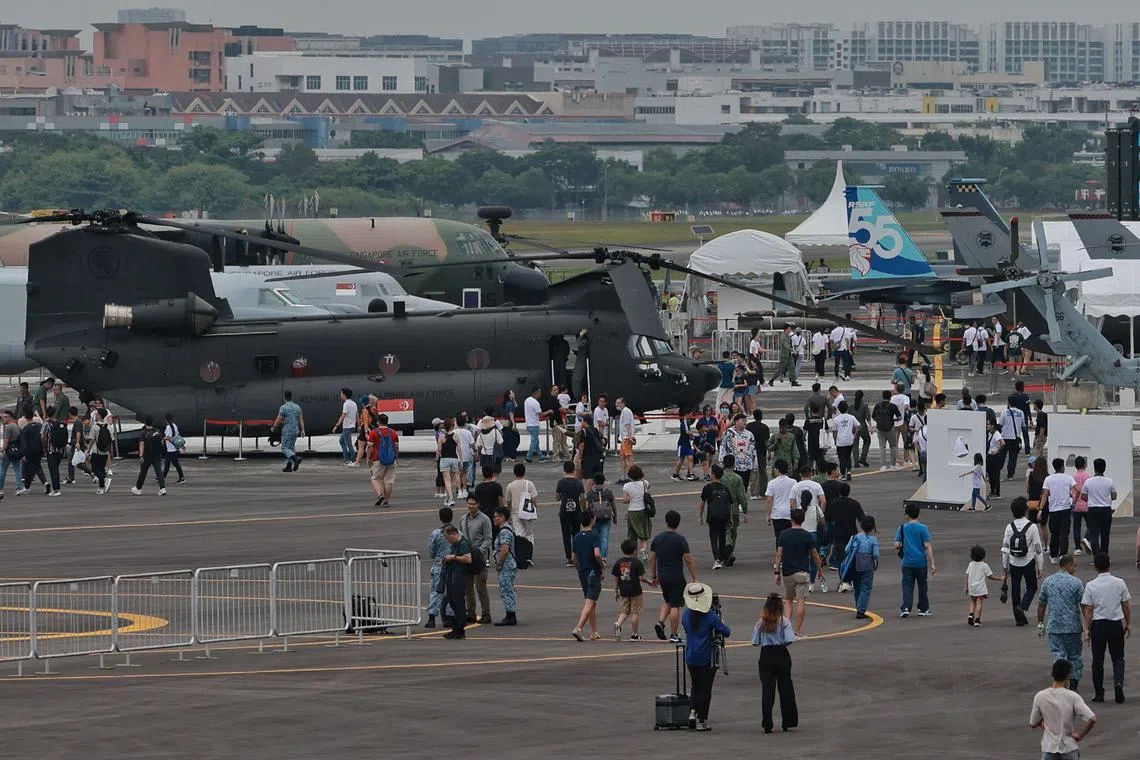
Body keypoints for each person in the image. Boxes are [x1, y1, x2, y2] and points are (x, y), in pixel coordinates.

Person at [1081, 552, 1131, 703]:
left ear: (1095, 567)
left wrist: (1087, 628)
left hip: (1099, 625)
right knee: (1118, 658)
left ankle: (1099, 692)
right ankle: (1118, 683)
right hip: (1115, 624)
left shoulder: (1091, 585)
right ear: (1109, 564)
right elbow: (1126, 605)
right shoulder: (1119, 582)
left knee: (1098, 660)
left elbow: (1089, 610)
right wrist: (1127, 623)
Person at [680, 582, 731, 732]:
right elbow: (726, 631)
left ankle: (692, 711)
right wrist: (720, 620)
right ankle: (702, 719)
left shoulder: (687, 614)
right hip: (705, 656)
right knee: (705, 688)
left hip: (690, 655)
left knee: (695, 685)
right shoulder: (710, 616)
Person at [1030, 659, 1096, 759]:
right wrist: (1080, 733)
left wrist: (1043, 721)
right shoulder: (1073, 696)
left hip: (1049, 748)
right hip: (1069, 747)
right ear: (1069, 675)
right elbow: (1092, 718)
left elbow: (1033, 723)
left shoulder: (1040, 696)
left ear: (1051, 673)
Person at [1038, 555, 1086, 692]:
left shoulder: (1048, 581)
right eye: (1074, 566)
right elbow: (1083, 605)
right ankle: (1074, 684)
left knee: (1058, 654)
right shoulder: (1076, 582)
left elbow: (1042, 604)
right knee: (1075, 655)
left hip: (1055, 626)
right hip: (1073, 626)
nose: (1075, 569)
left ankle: (1060, 683)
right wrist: (1089, 625)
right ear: (1069, 565)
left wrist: (1040, 622)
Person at [775, 507, 825, 637]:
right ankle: (797, 631)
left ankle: (786, 630)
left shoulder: (784, 534)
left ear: (791, 519)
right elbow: (815, 555)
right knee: (801, 601)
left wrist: (777, 572)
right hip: (802, 572)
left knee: (788, 601)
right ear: (803, 520)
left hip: (787, 572)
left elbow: (779, 554)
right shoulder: (807, 536)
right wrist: (820, 570)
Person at [752, 591, 797, 733]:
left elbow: (755, 642)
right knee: (786, 687)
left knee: (767, 689)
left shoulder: (761, 623)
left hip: (766, 655)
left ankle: (767, 723)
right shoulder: (784, 622)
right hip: (781, 654)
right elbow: (789, 640)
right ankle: (788, 721)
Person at [649, 510, 697, 644]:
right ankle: (674, 633)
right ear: (678, 523)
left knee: (667, 600)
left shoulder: (657, 539)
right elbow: (688, 559)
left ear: (666, 522)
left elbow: (652, 558)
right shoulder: (680, 540)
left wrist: (654, 575)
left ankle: (660, 622)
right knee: (675, 604)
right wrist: (694, 577)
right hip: (676, 575)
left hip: (662, 575)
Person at [1002, 497, 1045, 626]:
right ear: (1026, 511)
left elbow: (1005, 548)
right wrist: (1040, 566)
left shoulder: (1009, 527)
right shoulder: (1032, 527)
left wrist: (1005, 566)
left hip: (1013, 562)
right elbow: (1038, 548)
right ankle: (1022, 606)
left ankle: (1018, 618)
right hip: (1028, 561)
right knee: (1032, 587)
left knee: (1015, 589)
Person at [894, 504, 936, 618]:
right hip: (921, 562)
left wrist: (901, 545)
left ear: (907, 515)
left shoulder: (902, 528)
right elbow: (927, 546)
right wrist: (932, 563)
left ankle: (906, 607)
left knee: (907, 585)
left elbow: (897, 544)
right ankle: (923, 608)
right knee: (922, 585)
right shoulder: (923, 528)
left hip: (907, 562)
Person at [569, 510, 605, 641]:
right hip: (593, 571)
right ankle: (578, 628)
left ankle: (594, 631)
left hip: (582, 571)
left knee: (590, 601)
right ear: (592, 520)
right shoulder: (595, 535)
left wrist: (578, 567)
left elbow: (573, 558)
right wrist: (602, 566)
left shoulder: (577, 536)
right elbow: (597, 554)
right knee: (590, 602)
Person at [459, 495, 493, 625]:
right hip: (466, 557)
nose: (471, 506)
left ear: (478, 504)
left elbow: (488, 538)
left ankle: (486, 613)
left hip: (479, 558)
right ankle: (471, 612)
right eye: (469, 504)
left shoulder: (484, 519)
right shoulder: (463, 519)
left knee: (481, 587)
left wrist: (479, 551)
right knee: (468, 588)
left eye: (473, 504)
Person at [440, 525, 474, 639]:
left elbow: (468, 559)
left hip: (459, 577)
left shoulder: (463, 544)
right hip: (453, 576)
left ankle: (459, 629)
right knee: (453, 601)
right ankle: (456, 628)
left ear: (453, 534)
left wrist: (454, 557)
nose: (447, 540)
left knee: (458, 603)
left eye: (447, 537)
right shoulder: (455, 544)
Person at [1080, 458, 1118, 558]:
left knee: (1094, 534)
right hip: (1106, 510)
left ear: (1094, 468)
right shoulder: (1109, 481)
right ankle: (1104, 556)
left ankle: (1096, 557)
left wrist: (1092, 498)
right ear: (1104, 468)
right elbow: (1114, 496)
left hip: (1093, 510)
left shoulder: (1089, 481)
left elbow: (1083, 496)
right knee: (1105, 535)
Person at [698, 464, 733, 570]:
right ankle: (722, 558)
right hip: (724, 516)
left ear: (713, 475)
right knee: (722, 537)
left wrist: (700, 516)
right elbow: (729, 504)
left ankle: (717, 559)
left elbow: (702, 503)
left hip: (712, 517)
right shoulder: (725, 488)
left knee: (713, 538)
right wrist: (730, 518)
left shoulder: (708, 488)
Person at [612, 538, 648, 641]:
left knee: (625, 611)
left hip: (623, 590)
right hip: (635, 590)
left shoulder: (619, 562)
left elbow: (615, 576)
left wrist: (615, 590)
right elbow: (641, 578)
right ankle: (634, 634)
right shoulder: (637, 562)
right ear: (634, 551)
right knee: (635, 612)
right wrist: (649, 582)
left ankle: (618, 623)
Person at [1042, 459, 1077, 562]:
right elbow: (1078, 489)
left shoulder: (1048, 479)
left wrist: (1040, 508)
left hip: (1053, 509)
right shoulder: (1068, 478)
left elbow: (1045, 494)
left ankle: (1053, 556)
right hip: (1065, 508)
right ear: (1062, 467)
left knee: (1054, 533)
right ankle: (1063, 555)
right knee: (1064, 534)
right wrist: (1074, 502)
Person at [424, 506, 453, 629]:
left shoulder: (436, 533)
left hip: (438, 565)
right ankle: (449, 616)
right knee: (451, 591)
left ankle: (432, 617)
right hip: (452, 565)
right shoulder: (456, 532)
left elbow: (431, 551)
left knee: (436, 591)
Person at [846, 516, 879, 619]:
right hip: (868, 565)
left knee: (857, 587)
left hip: (856, 564)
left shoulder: (855, 537)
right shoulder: (873, 540)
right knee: (866, 587)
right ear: (873, 527)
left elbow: (847, 550)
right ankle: (861, 610)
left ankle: (858, 606)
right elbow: (876, 555)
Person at [718, 454, 749, 567]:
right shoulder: (737, 478)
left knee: (723, 531)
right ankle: (729, 550)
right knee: (733, 532)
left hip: (721, 508)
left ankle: (725, 552)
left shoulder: (719, 478)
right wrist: (745, 511)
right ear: (734, 464)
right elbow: (742, 496)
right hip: (734, 509)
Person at [964, 545, 1003, 627]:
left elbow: (967, 575)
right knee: (979, 603)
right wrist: (1000, 578)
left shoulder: (971, 564)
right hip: (980, 588)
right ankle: (977, 620)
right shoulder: (984, 565)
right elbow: (990, 576)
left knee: (973, 601)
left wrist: (966, 587)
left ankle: (971, 614)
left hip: (972, 587)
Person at [366, 413, 400, 508]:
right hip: (391, 460)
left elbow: (370, 447)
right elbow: (396, 447)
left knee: (375, 478)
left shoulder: (373, 432)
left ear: (378, 422)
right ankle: (386, 501)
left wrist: (368, 457)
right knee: (388, 481)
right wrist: (396, 458)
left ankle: (380, 495)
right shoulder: (393, 433)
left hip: (378, 460)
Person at [492, 507, 518, 626]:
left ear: (502, 517)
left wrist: (499, 563)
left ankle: (510, 615)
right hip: (508, 564)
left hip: (506, 565)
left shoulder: (504, 531)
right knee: (507, 588)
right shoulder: (505, 529)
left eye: (496, 516)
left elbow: (505, 549)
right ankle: (510, 613)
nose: (494, 519)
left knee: (507, 589)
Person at [556, 460, 586, 567]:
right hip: (576, 512)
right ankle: (576, 555)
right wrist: (584, 510)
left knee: (566, 535)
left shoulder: (561, 482)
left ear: (564, 470)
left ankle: (569, 558)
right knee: (576, 534)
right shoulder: (578, 483)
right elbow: (582, 498)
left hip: (564, 512)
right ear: (574, 470)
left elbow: (557, 497)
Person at [621, 464, 652, 559]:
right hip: (642, 510)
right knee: (644, 534)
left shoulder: (627, 486)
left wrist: (630, 498)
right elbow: (648, 486)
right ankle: (643, 550)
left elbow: (624, 500)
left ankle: (633, 554)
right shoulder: (644, 483)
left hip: (632, 511)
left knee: (632, 534)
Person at [131, 417, 167, 496]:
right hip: (157, 454)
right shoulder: (157, 431)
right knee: (159, 472)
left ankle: (138, 488)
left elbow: (142, 444)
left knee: (143, 472)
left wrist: (141, 455)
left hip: (147, 455)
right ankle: (162, 488)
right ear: (152, 422)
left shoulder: (143, 433)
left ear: (145, 423)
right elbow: (162, 442)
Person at [585, 472, 616, 560]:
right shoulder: (608, 493)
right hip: (606, 517)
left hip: (594, 518)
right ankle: (603, 558)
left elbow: (587, 507)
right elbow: (613, 505)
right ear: (603, 481)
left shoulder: (590, 494)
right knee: (604, 537)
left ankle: (595, 555)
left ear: (594, 482)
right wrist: (615, 516)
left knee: (595, 537)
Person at [273, 390, 305, 473]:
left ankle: (295, 459)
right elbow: (301, 420)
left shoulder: (283, 407)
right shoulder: (297, 407)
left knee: (284, 447)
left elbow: (279, 419)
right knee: (291, 447)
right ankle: (289, 466)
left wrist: (274, 427)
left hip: (287, 430)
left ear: (285, 397)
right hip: (296, 430)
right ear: (291, 396)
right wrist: (303, 430)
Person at [765, 458, 796, 543]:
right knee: (790, 537)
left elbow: (769, 500)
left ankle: (779, 554)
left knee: (779, 537)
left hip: (777, 513)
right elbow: (794, 499)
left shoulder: (771, 483)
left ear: (777, 469)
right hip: (789, 513)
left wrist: (768, 514)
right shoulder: (793, 482)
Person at [830, 401, 859, 480]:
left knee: (841, 458)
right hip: (849, 439)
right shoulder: (851, 417)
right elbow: (858, 426)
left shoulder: (836, 419)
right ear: (847, 408)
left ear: (839, 409)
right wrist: (855, 435)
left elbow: (834, 431)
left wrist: (835, 440)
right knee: (848, 456)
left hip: (840, 441)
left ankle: (843, 475)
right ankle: (849, 471)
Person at [332, 388, 358, 466]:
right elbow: (357, 415)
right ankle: (347, 459)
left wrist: (336, 426)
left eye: (341, 393)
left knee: (348, 443)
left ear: (344, 394)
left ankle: (353, 460)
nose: (340, 395)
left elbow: (343, 416)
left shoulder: (346, 404)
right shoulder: (353, 403)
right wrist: (358, 425)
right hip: (352, 425)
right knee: (342, 441)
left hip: (347, 426)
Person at [161, 412, 186, 485]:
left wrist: (163, 439)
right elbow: (177, 435)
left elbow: (168, 437)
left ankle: (162, 477)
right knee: (172, 464)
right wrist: (181, 445)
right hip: (174, 448)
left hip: (171, 448)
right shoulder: (175, 425)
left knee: (169, 464)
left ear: (166, 419)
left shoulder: (168, 427)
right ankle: (163, 477)